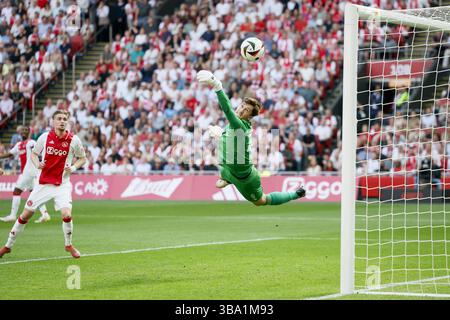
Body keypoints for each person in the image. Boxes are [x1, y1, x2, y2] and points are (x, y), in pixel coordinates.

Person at [196, 70, 305, 205]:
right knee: (222, 158)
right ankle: (227, 178)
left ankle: (295, 194)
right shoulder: (234, 126)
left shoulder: (240, 125)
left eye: (246, 110)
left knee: (261, 201)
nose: (241, 109)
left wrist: (217, 86)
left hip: (246, 179)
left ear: (249, 116)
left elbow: (227, 109)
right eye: (242, 106)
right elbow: (231, 141)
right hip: (228, 169)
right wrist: (220, 134)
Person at [0, 110, 87, 259]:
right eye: (59, 118)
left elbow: (82, 158)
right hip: (43, 184)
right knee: (25, 215)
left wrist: (72, 168)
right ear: (53, 121)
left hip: (62, 184)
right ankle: (7, 246)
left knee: (66, 214)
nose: (62, 121)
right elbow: (34, 154)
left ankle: (68, 245)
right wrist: (37, 163)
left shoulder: (74, 140)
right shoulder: (44, 137)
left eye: (64, 119)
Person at [0, 126, 50, 223]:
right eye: (22, 130)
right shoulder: (19, 145)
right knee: (34, 193)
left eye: (26, 131)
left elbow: (38, 152)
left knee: (17, 191)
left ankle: (12, 215)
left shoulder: (31, 143)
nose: (23, 132)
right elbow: (10, 154)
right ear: (20, 132)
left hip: (29, 171)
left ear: (29, 133)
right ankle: (45, 214)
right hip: (27, 172)